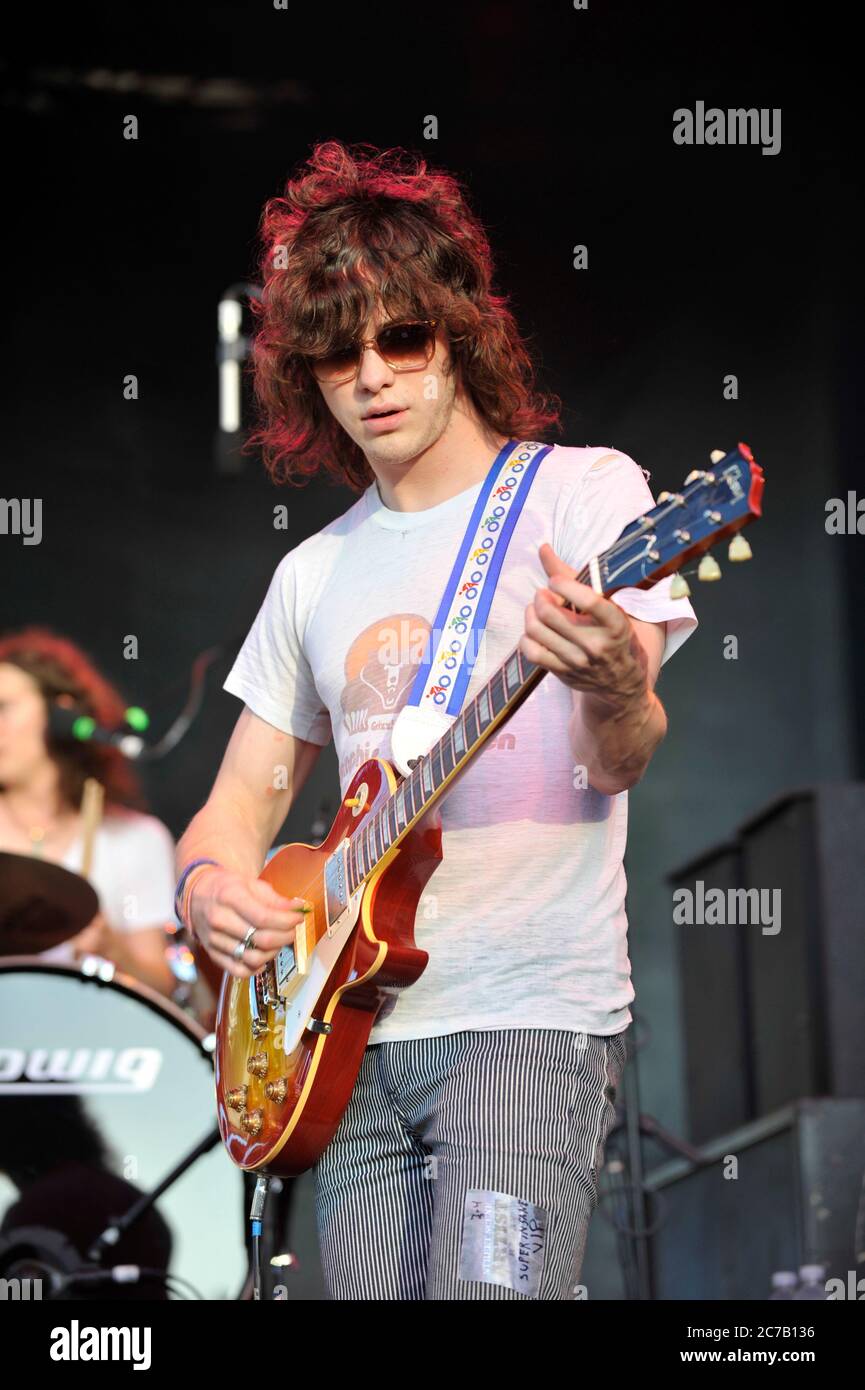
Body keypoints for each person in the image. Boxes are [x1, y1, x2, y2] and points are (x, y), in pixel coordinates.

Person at [177, 140, 698, 1300]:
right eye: (335, 352)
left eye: (400, 336)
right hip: (340, 1041)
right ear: (303, 379)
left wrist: (615, 678)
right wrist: (210, 890)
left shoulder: (584, 496)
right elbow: (227, 815)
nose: (372, 373)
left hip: (525, 1016)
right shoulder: (312, 575)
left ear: (457, 331)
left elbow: (617, 760)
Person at [0, 629, 177, 997]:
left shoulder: (135, 839)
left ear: (59, 714)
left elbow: (162, 988)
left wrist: (113, 950)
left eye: (3, 708)